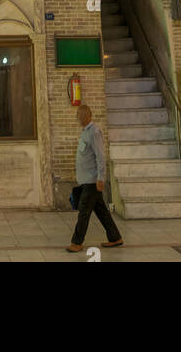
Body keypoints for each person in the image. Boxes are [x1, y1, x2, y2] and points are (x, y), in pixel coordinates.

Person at [66, 104, 123, 252]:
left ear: (88, 115)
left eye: (81, 115)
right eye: (78, 115)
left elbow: (100, 157)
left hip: (92, 181)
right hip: (86, 180)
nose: (79, 118)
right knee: (102, 211)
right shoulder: (85, 132)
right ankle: (115, 237)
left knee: (84, 212)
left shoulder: (94, 132)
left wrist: (101, 178)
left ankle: (77, 242)